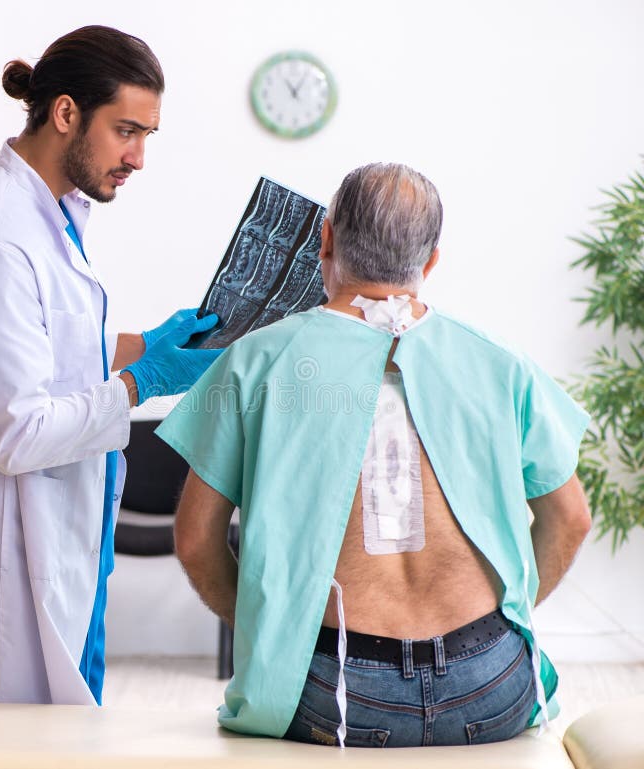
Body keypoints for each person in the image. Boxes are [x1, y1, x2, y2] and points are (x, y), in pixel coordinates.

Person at [156, 162, 592, 747]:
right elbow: (571, 519)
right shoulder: (502, 364)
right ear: (430, 261)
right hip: (491, 680)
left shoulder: (255, 359)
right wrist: (506, 620)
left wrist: (275, 635)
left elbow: (194, 539)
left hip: (332, 685)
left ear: (325, 239)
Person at [0, 25, 220, 706]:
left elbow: (49, 344)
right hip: (5, 550)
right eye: (125, 131)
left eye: (147, 136)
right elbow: (15, 433)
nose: (138, 158)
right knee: (12, 740)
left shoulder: (48, 207)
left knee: (70, 732)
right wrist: (141, 382)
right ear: (67, 113)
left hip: (62, 529)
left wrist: (146, 345)